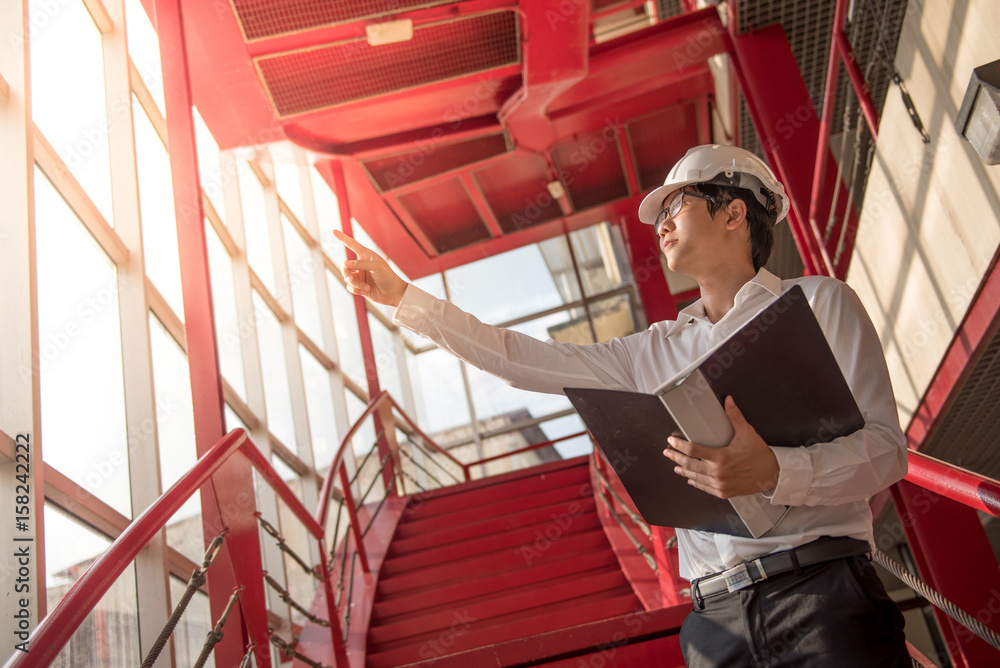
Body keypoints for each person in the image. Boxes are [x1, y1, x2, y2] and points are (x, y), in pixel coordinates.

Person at [333, 144, 909, 666]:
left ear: (734, 212)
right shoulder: (648, 352)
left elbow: (886, 453)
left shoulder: (821, 303)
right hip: (713, 625)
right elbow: (520, 359)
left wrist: (776, 471)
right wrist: (403, 298)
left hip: (822, 595)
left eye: (675, 206)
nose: (661, 225)